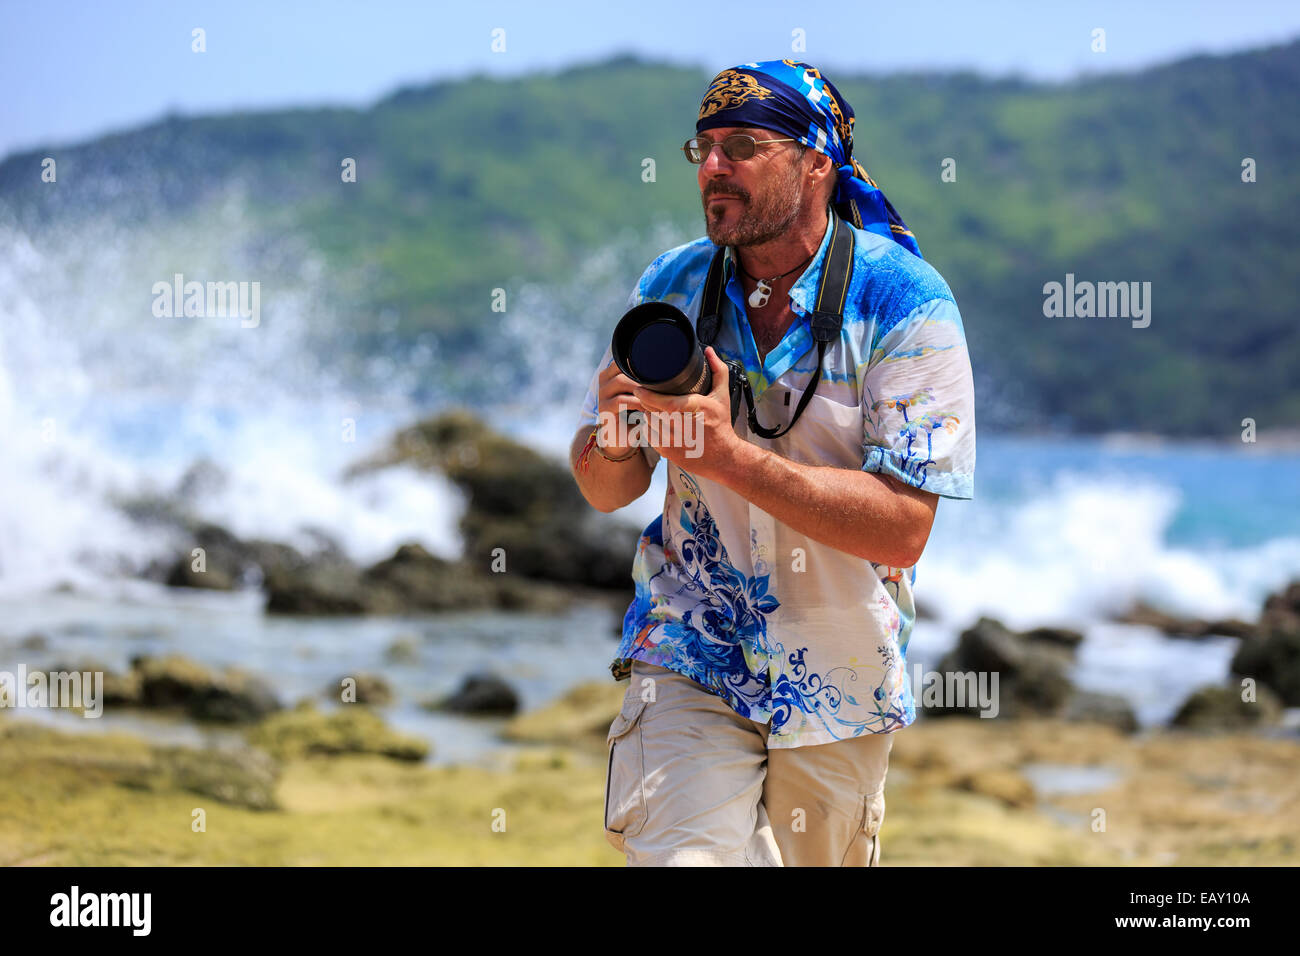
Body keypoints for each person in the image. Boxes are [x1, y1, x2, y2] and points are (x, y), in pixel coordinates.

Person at [569, 59, 976, 866]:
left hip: (840, 671)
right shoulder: (674, 284)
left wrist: (732, 460)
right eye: (704, 147)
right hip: (687, 647)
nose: (713, 167)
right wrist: (616, 432)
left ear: (816, 162)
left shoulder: (906, 302)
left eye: (743, 146)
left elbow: (902, 529)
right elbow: (606, 486)